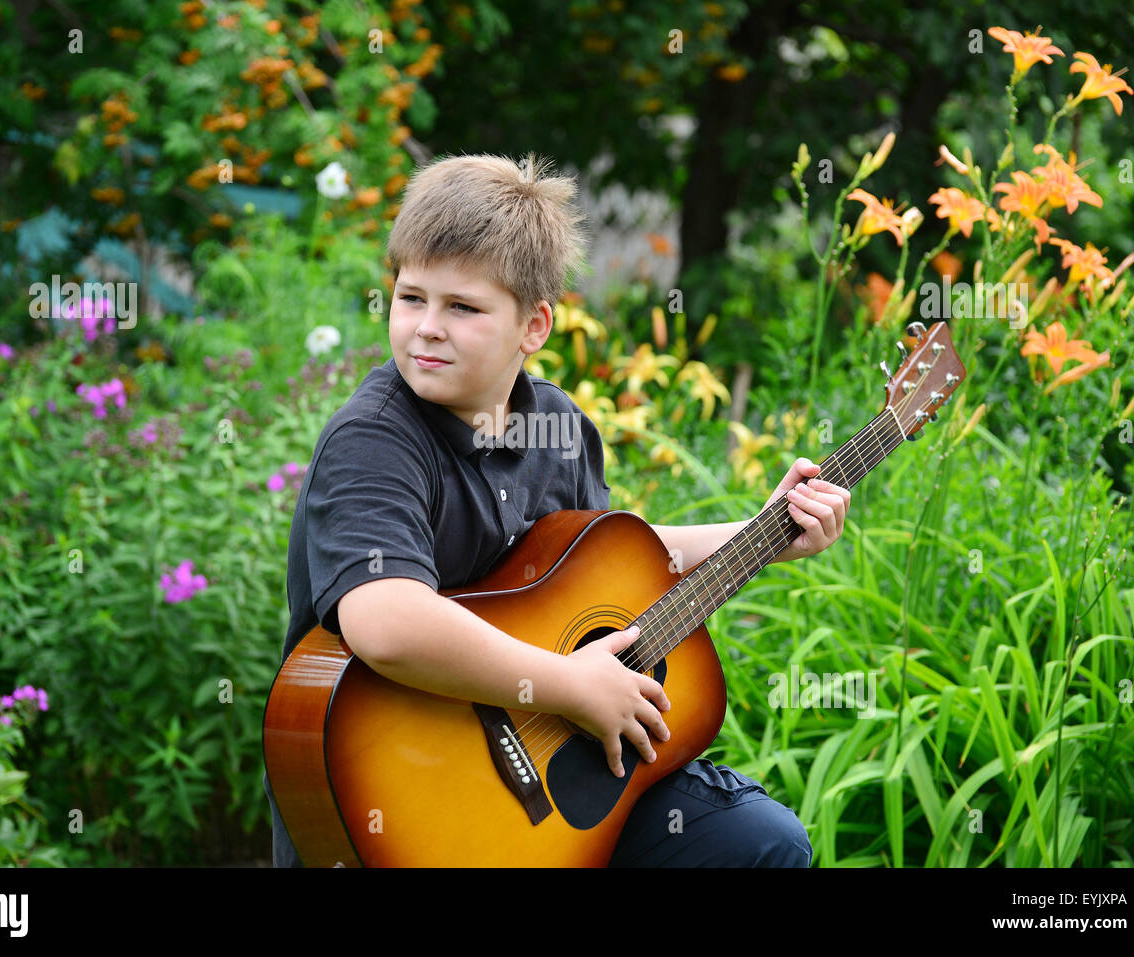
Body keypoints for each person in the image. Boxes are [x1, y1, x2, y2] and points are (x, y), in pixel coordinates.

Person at [265, 152, 850, 868]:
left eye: (463, 307)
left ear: (534, 325)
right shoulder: (375, 438)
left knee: (763, 844)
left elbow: (600, 572)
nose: (426, 327)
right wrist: (569, 682)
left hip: (550, 794)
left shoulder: (559, 429)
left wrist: (761, 533)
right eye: (411, 297)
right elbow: (384, 618)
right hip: (415, 803)